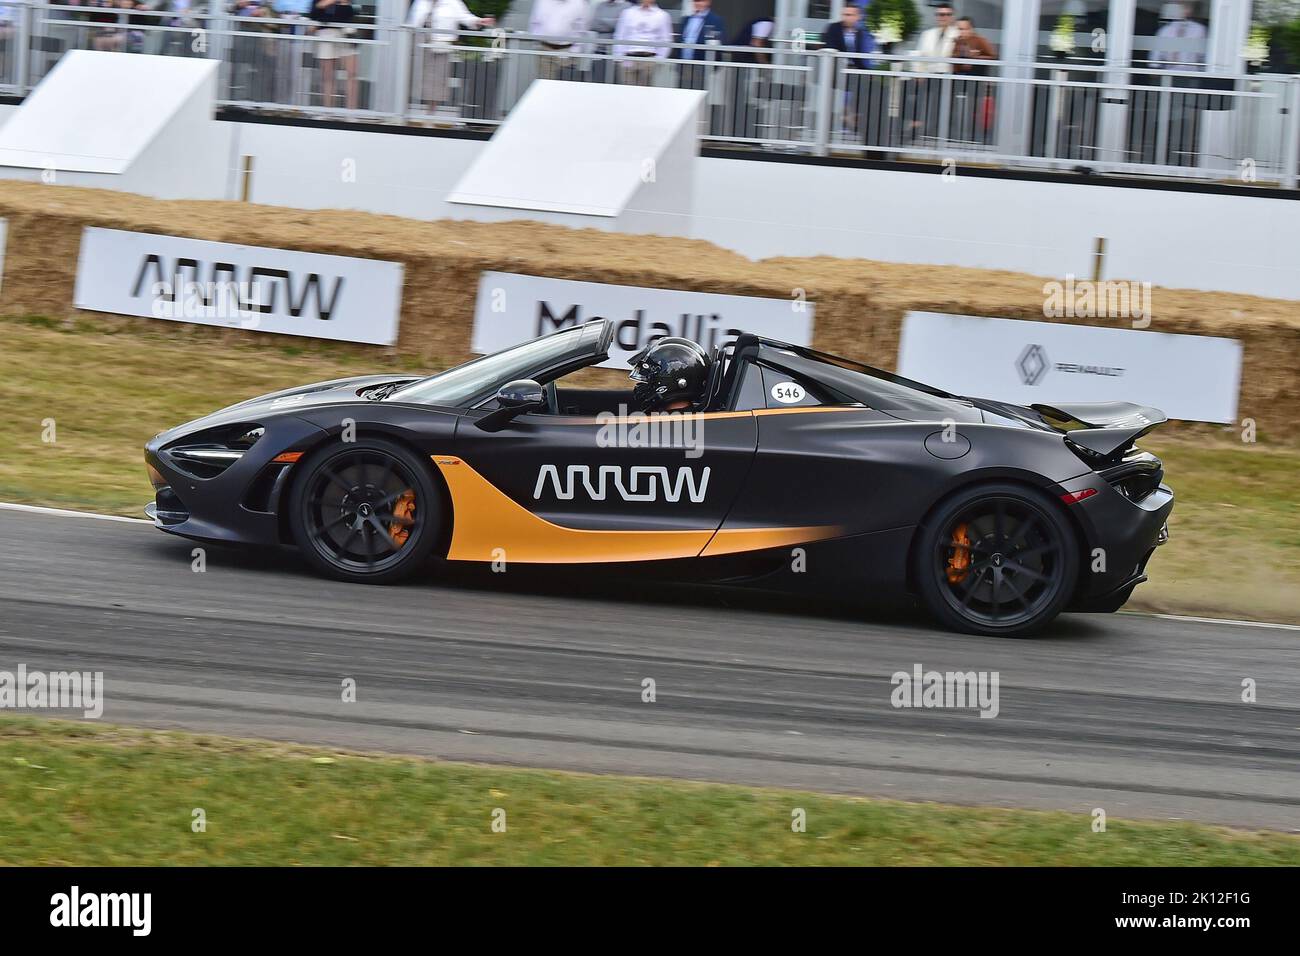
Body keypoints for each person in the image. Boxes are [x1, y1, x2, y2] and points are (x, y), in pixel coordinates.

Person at [406, 0, 495, 113]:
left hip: (440, 43)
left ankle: (430, 114)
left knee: (437, 80)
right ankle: (407, 111)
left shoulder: (453, 2)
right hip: (418, 42)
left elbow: (465, 17)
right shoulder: (421, 2)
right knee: (412, 75)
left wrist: (479, 21)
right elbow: (411, 22)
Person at [820, 2, 875, 138]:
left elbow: (861, 55)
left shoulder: (861, 33)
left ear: (858, 17)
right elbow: (830, 46)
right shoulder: (834, 28)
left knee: (863, 92)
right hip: (836, 70)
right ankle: (843, 122)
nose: (846, 17)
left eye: (850, 15)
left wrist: (868, 72)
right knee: (839, 97)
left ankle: (851, 123)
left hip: (854, 71)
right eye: (845, 14)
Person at [906, 3, 958, 143]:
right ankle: (916, 134)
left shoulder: (957, 34)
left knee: (944, 107)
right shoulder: (927, 34)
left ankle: (941, 137)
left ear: (952, 17)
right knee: (919, 103)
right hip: (928, 75)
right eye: (940, 14)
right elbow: (919, 55)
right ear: (936, 16)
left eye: (947, 14)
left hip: (947, 76)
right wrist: (919, 73)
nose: (943, 17)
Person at [628, 338, 712, 412]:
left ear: (680, 383)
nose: (640, 384)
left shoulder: (672, 425)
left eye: (648, 379)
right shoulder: (668, 418)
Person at [950, 16, 996, 144]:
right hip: (959, 79)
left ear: (971, 29)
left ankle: (974, 136)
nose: (962, 32)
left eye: (965, 29)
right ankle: (956, 134)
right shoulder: (956, 42)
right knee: (953, 106)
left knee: (973, 109)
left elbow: (993, 56)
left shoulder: (980, 40)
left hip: (976, 79)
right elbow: (952, 58)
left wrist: (977, 57)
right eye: (960, 29)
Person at [309, 0, 358, 109]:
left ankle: (352, 113)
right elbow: (315, 12)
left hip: (347, 33)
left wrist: (326, 6)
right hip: (326, 34)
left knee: (352, 74)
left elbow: (349, 11)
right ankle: (328, 111)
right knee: (327, 76)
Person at [613, 0, 672, 87]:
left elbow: (666, 39)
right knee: (627, 92)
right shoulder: (628, 13)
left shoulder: (662, 15)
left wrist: (659, 60)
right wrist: (619, 58)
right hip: (628, 58)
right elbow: (620, 35)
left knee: (645, 93)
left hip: (649, 59)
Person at [529, 0, 589, 81]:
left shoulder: (579, 3)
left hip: (567, 51)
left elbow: (581, 30)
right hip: (545, 49)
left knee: (564, 85)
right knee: (545, 84)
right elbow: (535, 23)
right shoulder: (542, 2)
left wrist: (574, 52)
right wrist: (537, 45)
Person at [676, 0, 725, 91]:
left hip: (700, 66)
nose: (698, 4)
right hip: (684, 65)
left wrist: (710, 67)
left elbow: (719, 43)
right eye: (695, 1)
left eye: (701, 1)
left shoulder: (715, 20)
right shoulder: (686, 19)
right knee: (681, 95)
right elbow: (680, 40)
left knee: (697, 96)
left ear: (708, 2)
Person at [588, 0, 630, 81]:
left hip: (616, 55)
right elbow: (593, 24)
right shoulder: (600, 5)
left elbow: (621, 26)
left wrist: (602, 21)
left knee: (615, 87)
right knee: (596, 84)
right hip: (599, 52)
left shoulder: (627, 6)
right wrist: (613, 23)